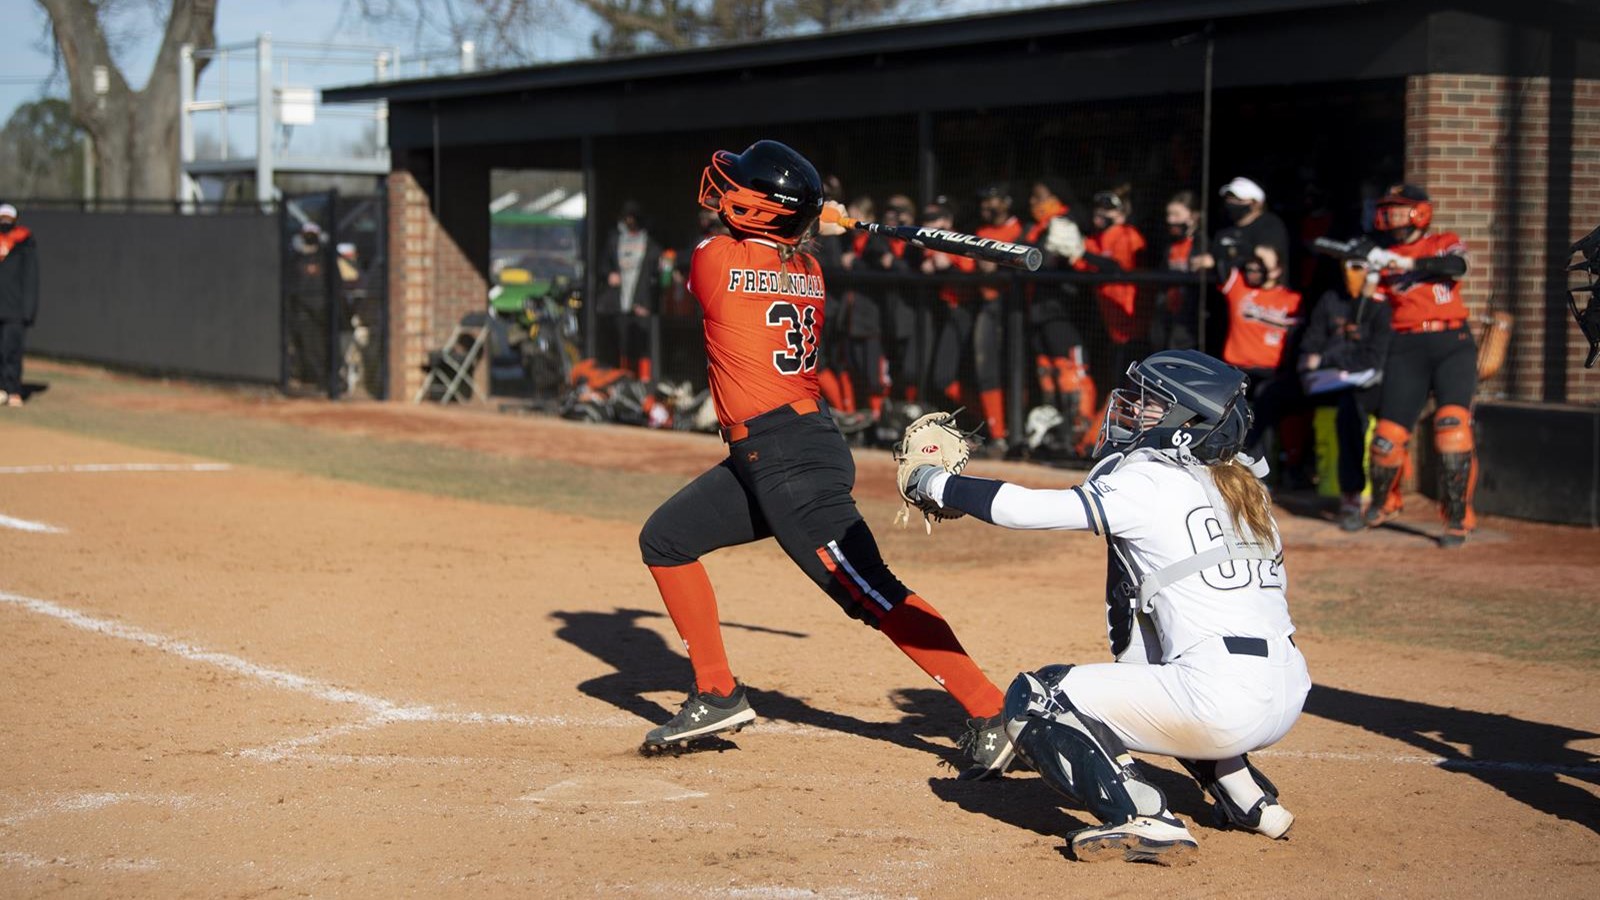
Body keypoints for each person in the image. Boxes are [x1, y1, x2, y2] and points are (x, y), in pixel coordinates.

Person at [637, 140, 1011, 776]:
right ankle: (717, 692)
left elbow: (728, 240)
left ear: (759, 212)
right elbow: (782, 245)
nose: (725, 192)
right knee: (667, 539)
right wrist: (818, 219)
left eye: (741, 189)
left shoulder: (713, 260)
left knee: (871, 592)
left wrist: (812, 217)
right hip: (776, 452)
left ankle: (993, 711)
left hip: (790, 460)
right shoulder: (811, 270)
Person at [900, 349, 1311, 865]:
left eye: (1153, 404)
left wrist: (933, 483)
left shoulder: (1152, 480)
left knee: (1037, 694)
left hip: (1223, 700)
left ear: (1189, 423)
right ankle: (1246, 795)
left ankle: (1146, 817)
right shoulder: (1248, 489)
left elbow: (1027, 509)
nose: (1135, 410)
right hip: (1288, 689)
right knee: (1158, 675)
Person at [1361, 185, 1477, 547]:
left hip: (1452, 342)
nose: (1391, 216)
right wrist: (1365, 272)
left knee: (1451, 427)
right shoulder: (1384, 255)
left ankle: (1457, 517)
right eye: (1388, 209)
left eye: (1399, 209)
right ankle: (1385, 502)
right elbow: (1365, 311)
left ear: (1419, 212)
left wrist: (1406, 264)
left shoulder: (1443, 241)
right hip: (1406, 345)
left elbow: (1456, 266)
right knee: (1386, 439)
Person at [1297, 259, 1392, 530]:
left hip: (1378, 381)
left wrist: (1326, 358)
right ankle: (1350, 498)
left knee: (1384, 427)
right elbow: (1311, 342)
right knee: (1346, 414)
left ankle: (1384, 498)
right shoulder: (1332, 298)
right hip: (1335, 381)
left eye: (1361, 267)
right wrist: (1311, 360)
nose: (1354, 274)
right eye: (1350, 267)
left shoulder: (1383, 304)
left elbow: (1375, 357)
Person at [1023, 178, 1096, 453]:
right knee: (1047, 371)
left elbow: (1065, 260)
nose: (1033, 203)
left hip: (1064, 311)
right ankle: (1059, 436)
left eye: (1039, 196)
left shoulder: (1066, 222)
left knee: (1071, 371)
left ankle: (1082, 438)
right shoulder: (1035, 228)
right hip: (1039, 310)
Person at [599, 201, 662, 381]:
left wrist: (647, 302)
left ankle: (644, 381)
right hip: (619, 302)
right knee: (621, 342)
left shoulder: (649, 242)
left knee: (642, 343)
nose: (630, 222)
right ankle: (622, 379)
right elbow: (603, 264)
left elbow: (655, 275)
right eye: (627, 218)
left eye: (633, 218)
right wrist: (609, 274)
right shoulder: (615, 240)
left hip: (640, 302)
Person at [1193, 177, 1290, 278]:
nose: (1231, 203)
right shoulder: (1225, 228)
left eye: (1238, 199)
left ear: (1256, 203)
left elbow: (1268, 259)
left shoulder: (1270, 225)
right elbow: (1213, 256)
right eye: (1229, 198)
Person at [1151, 190, 1201, 352]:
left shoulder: (1201, 243)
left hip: (1189, 319)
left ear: (1193, 216)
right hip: (1169, 312)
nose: (1170, 220)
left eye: (1176, 215)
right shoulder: (1170, 245)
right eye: (1169, 215)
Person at [0, 203, 39, 407]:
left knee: (11, 350)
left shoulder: (24, 243)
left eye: (8, 218)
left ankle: (13, 389)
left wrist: (28, 310)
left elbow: (31, 279)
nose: (4, 221)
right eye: (2, 217)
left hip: (15, 310)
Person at [286, 222, 331, 393]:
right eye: (307, 233)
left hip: (321, 311)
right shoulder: (296, 259)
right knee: (303, 346)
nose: (310, 237)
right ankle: (305, 378)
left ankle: (322, 380)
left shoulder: (325, 258)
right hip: (302, 311)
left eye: (313, 233)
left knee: (320, 347)